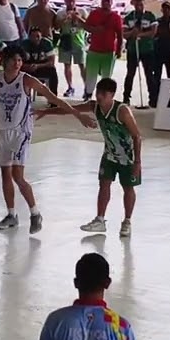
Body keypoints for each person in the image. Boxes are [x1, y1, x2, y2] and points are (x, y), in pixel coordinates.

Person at [0, 47, 95, 233]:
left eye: (19, 60)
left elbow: (54, 98)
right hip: (3, 131)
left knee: (18, 175)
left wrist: (77, 115)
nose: (18, 63)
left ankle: (34, 213)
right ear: (5, 60)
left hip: (21, 132)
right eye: (14, 59)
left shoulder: (26, 80)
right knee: (5, 174)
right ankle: (11, 214)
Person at [40, 78, 143, 237]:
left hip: (128, 157)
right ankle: (100, 219)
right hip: (109, 154)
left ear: (112, 95)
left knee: (128, 188)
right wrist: (46, 112)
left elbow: (137, 136)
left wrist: (137, 162)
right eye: (98, 92)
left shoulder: (122, 111)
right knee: (104, 184)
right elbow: (70, 109)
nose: (100, 97)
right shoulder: (94, 106)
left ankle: (127, 221)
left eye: (104, 94)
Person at [122, 0, 160, 107]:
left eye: (141, 4)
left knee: (149, 74)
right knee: (130, 74)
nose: (139, 6)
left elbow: (153, 32)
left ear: (144, 3)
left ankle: (153, 99)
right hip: (133, 49)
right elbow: (124, 34)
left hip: (147, 49)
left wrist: (140, 34)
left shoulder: (150, 16)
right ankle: (126, 97)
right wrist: (131, 33)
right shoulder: (129, 17)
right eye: (137, 4)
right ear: (133, 3)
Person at [84, 0, 123, 98]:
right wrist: (95, 29)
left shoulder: (116, 17)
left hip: (109, 51)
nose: (106, 3)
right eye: (104, 1)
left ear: (111, 2)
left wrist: (119, 49)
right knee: (91, 75)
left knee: (106, 76)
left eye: (108, 1)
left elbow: (120, 35)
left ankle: (105, 96)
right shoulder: (94, 14)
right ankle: (88, 94)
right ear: (101, 2)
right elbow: (86, 27)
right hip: (94, 50)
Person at [57, 0, 88, 97]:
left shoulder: (82, 11)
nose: (70, 3)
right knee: (67, 64)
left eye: (72, 0)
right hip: (66, 40)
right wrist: (66, 19)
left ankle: (87, 88)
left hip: (78, 40)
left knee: (82, 64)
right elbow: (56, 27)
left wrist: (78, 18)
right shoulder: (61, 13)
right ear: (65, 0)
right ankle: (70, 87)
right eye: (68, 0)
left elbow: (88, 26)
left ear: (75, 0)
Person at [20, 25, 60, 94]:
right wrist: (27, 66)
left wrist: (38, 66)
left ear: (41, 36)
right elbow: (18, 61)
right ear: (29, 37)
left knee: (52, 71)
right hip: (28, 68)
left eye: (38, 36)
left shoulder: (47, 44)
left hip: (42, 67)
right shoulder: (24, 44)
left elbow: (51, 62)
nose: (36, 38)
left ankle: (53, 98)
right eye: (33, 36)